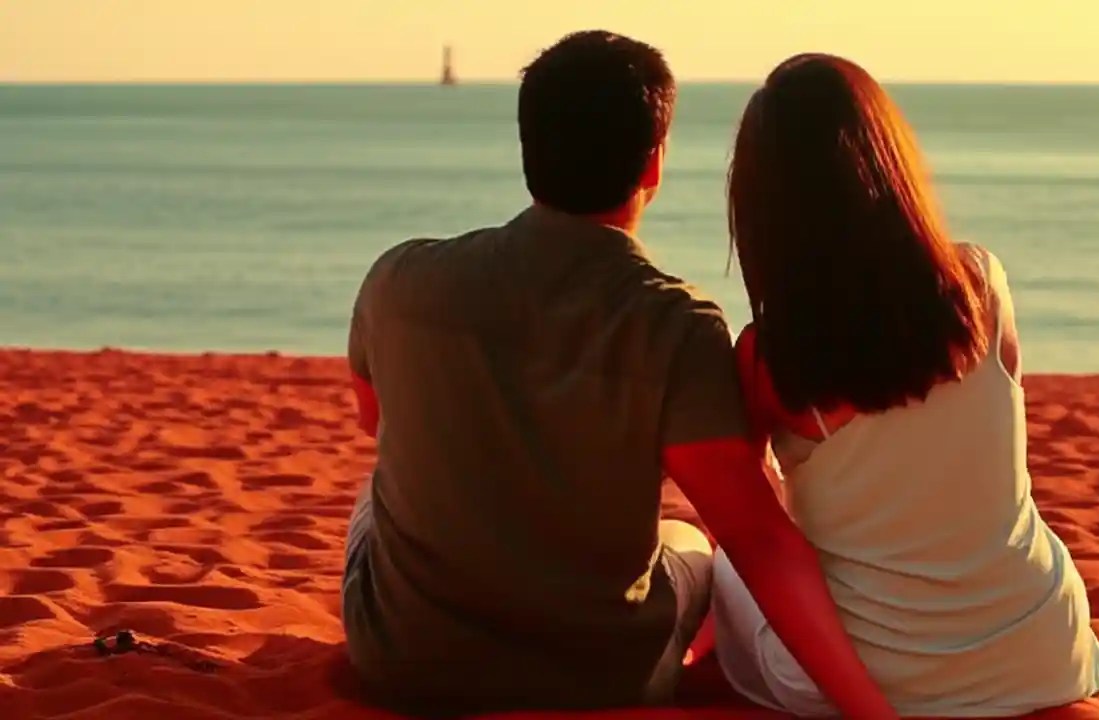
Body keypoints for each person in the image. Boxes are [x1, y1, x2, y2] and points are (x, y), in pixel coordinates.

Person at [340, 32, 896, 718]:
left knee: (376, 495)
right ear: (654, 163)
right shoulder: (675, 323)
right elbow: (754, 535)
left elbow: (375, 423)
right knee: (689, 541)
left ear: (528, 150)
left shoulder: (399, 280)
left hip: (403, 664)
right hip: (597, 681)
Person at [713, 53, 1099, 718]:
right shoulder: (978, 288)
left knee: (724, 562)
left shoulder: (768, 359)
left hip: (875, 679)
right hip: (1043, 654)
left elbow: (763, 533)